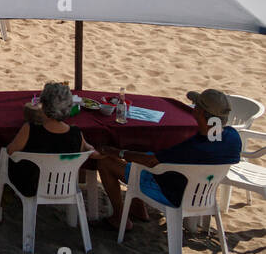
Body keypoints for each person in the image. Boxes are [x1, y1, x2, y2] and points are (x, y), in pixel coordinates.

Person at [95, 88, 242, 231]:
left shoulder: (193, 148)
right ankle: (137, 208)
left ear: (201, 113)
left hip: (169, 193)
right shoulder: (234, 138)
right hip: (203, 194)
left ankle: (119, 219)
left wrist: (116, 152)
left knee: (106, 162)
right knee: (139, 152)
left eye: (196, 106)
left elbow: (151, 161)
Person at [5, 82, 90, 197]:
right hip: (63, 186)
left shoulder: (30, 129)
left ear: (43, 105)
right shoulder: (76, 134)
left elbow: (10, 151)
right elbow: (88, 150)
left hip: (31, 187)